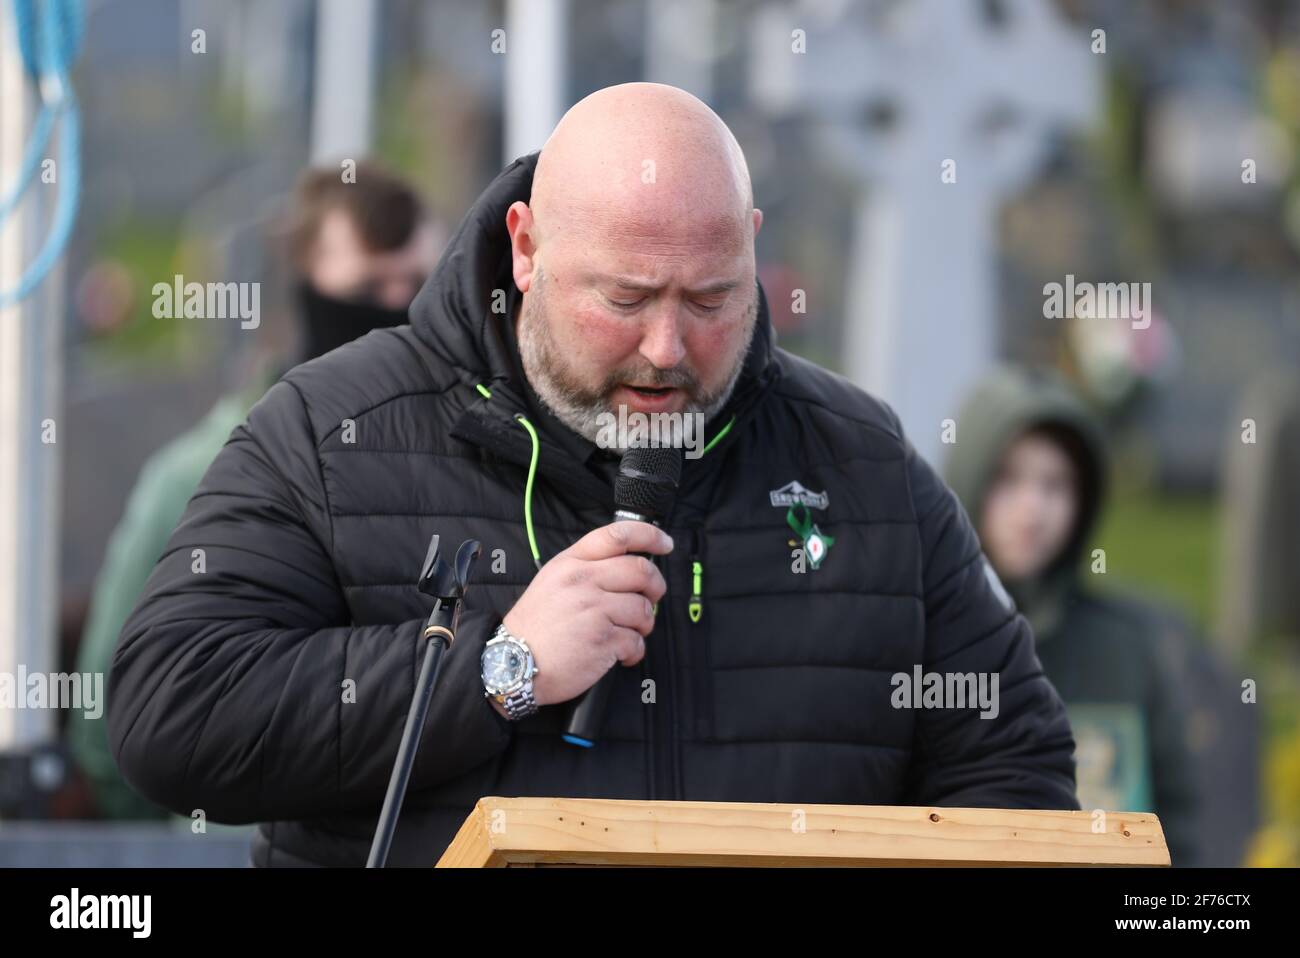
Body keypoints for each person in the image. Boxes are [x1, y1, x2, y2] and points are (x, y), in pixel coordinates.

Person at [108, 83, 1077, 867]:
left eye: (711, 298)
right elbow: (170, 713)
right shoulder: (333, 431)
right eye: (624, 297)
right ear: (526, 249)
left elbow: (1012, 763)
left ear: (751, 242)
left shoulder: (859, 463)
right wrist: (495, 670)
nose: (667, 346)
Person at [70, 161, 443, 819]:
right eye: (368, 286)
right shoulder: (197, 475)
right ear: (304, 291)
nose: (395, 308)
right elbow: (110, 725)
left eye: (415, 285)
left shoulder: (461, 462)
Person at [944, 367, 1199, 864]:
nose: (1033, 509)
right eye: (1008, 480)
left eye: (1056, 484)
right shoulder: (925, 642)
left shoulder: (1125, 647)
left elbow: (1177, 824)